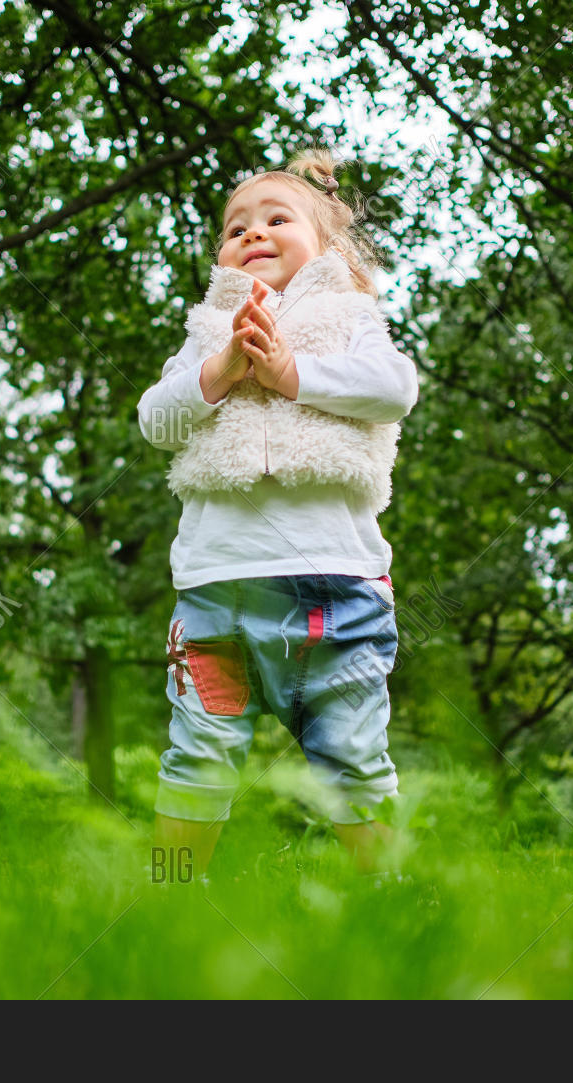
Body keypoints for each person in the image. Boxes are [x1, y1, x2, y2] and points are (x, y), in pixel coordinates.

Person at [135, 147, 419, 879]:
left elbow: (393, 390)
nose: (252, 233)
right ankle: (168, 897)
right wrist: (220, 373)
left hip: (337, 588)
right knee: (199, 747)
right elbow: (155, 421)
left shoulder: (350, 320)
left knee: (352, 752)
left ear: (324, 245)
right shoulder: (206, 332)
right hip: (217, 594)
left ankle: (390, 895)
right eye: (236, 227)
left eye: (275, 218)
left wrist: (293, 375)